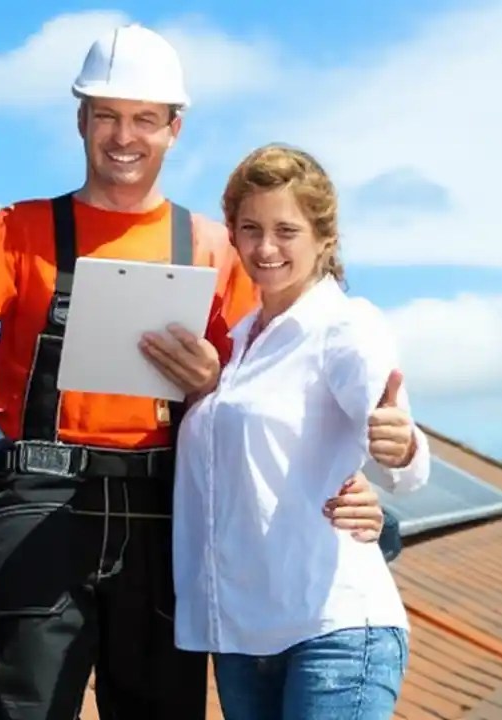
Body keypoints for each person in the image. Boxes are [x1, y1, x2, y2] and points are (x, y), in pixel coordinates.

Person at [0, 23, 391, 720]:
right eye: (108, 116)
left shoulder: (217, 250)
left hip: (167, 518)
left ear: (174, 129)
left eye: (145, 119)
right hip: (41, 509)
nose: (125, 136)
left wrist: (348, 472)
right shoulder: (17, 232)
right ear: (81, 120)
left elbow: (283, 385)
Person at [171, 143, 429, 719]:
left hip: (332, 631)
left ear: (324, 238)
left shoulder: (344, 325)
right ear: (232, 236)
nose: (265, 247)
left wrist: (400, 446)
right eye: (250, 228)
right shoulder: (234, 345)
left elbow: (397, 445)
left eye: (286, 229)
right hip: (242, 640)